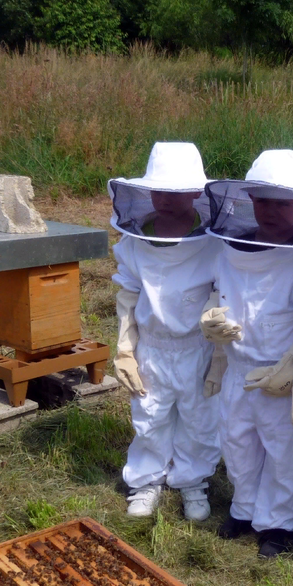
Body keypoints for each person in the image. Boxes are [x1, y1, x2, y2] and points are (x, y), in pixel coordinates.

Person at [199, 150, 293, 558]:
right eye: (263, 200)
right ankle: (246, 508)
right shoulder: (228, 250)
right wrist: (210, 316)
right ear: (249, 200)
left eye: (283, 202)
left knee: (285, 453)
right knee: (237, 444)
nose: (271, 210)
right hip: (237, 370)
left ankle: (283, 522)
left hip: (281, 379)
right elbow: (220, 291)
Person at [109, 142, 222, 521]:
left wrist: (219, 351)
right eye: (159, 191)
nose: (166, 200)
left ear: (195, 192)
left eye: (176, 193)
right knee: (149, 415)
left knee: (199, 417)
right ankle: (145, 480)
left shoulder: (213, 244)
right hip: (152, 347)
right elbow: (128, 295)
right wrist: (125, 349)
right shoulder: (135, 242)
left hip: (197, 348)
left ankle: (193, 479)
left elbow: (221, 293)